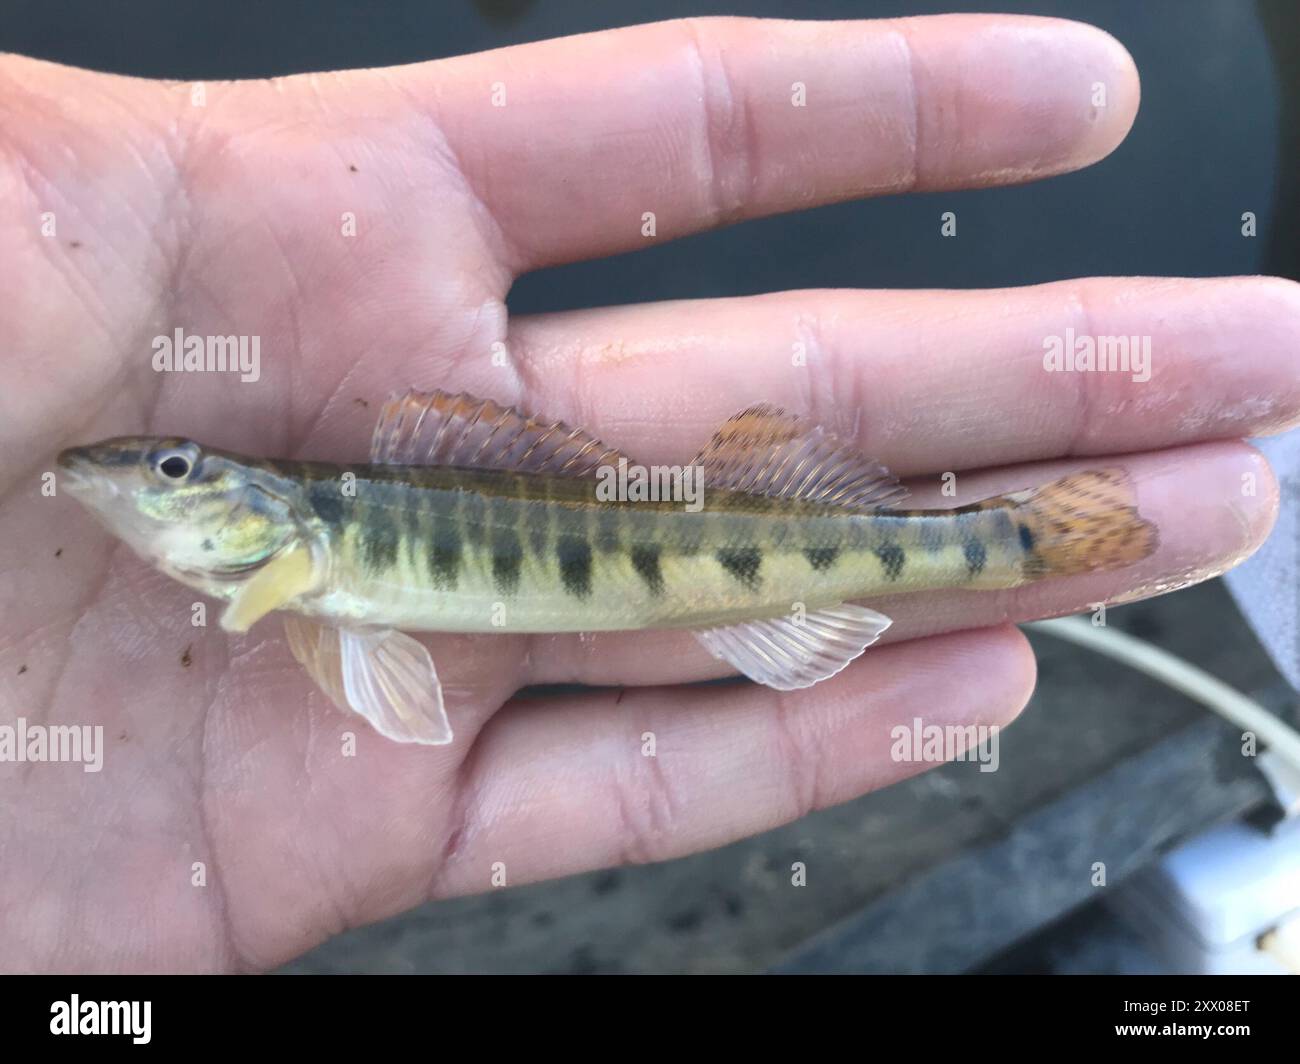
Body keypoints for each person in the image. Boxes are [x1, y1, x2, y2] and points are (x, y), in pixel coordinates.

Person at [2, 14, 1297, 972]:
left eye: (177, 473)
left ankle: (1013, 544)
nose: (151, 485)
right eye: (172, 471)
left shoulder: (312, 551)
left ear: (257, 512)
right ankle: (1015, 547)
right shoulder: (292, 565)